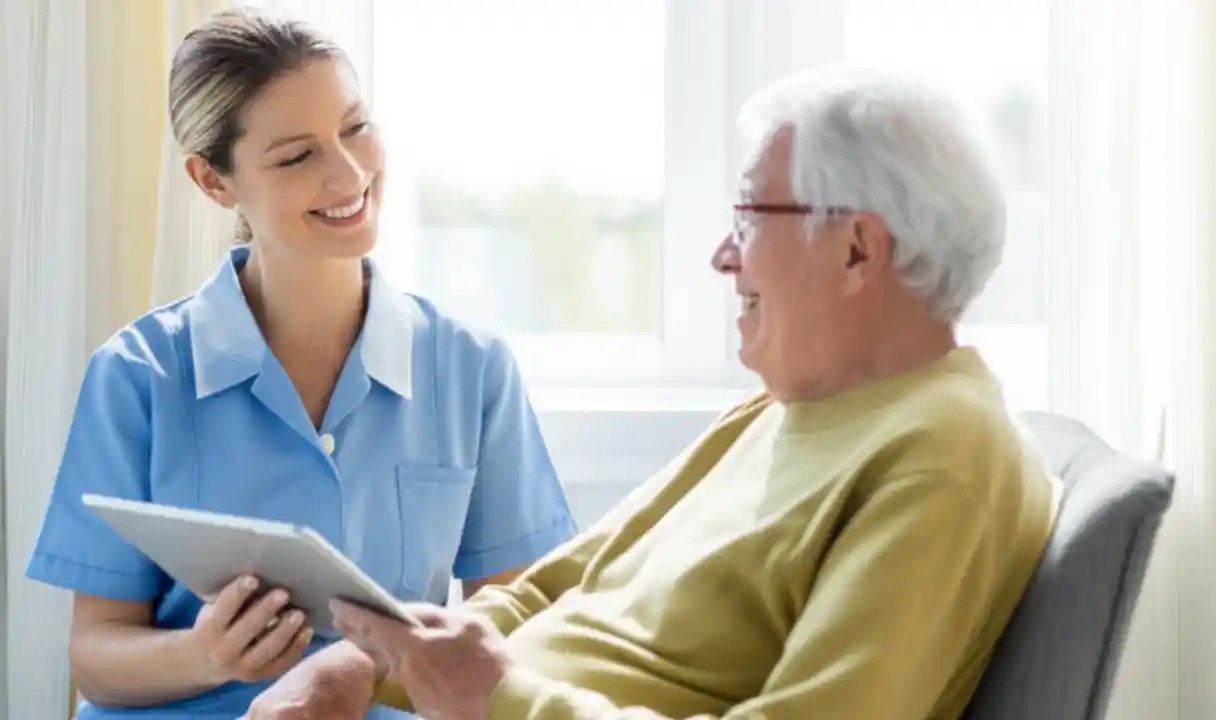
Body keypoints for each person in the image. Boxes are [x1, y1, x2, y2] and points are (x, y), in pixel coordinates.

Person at [245, 67, 1062, 720]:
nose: (722, 257)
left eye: (748, 217)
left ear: (856, 250)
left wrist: (495, 698)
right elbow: (553, 588)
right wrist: (358, 667)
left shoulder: (943, 457)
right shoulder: (784, 408)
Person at [25, 9, 575, 720]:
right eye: (296, 156)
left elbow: (522, 619)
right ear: (213, 182)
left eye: (356, 128)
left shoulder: (471, 370)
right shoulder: (137, 375)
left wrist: (361, 669)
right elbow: (95, 656)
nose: (349, 173)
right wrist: (206, 656)